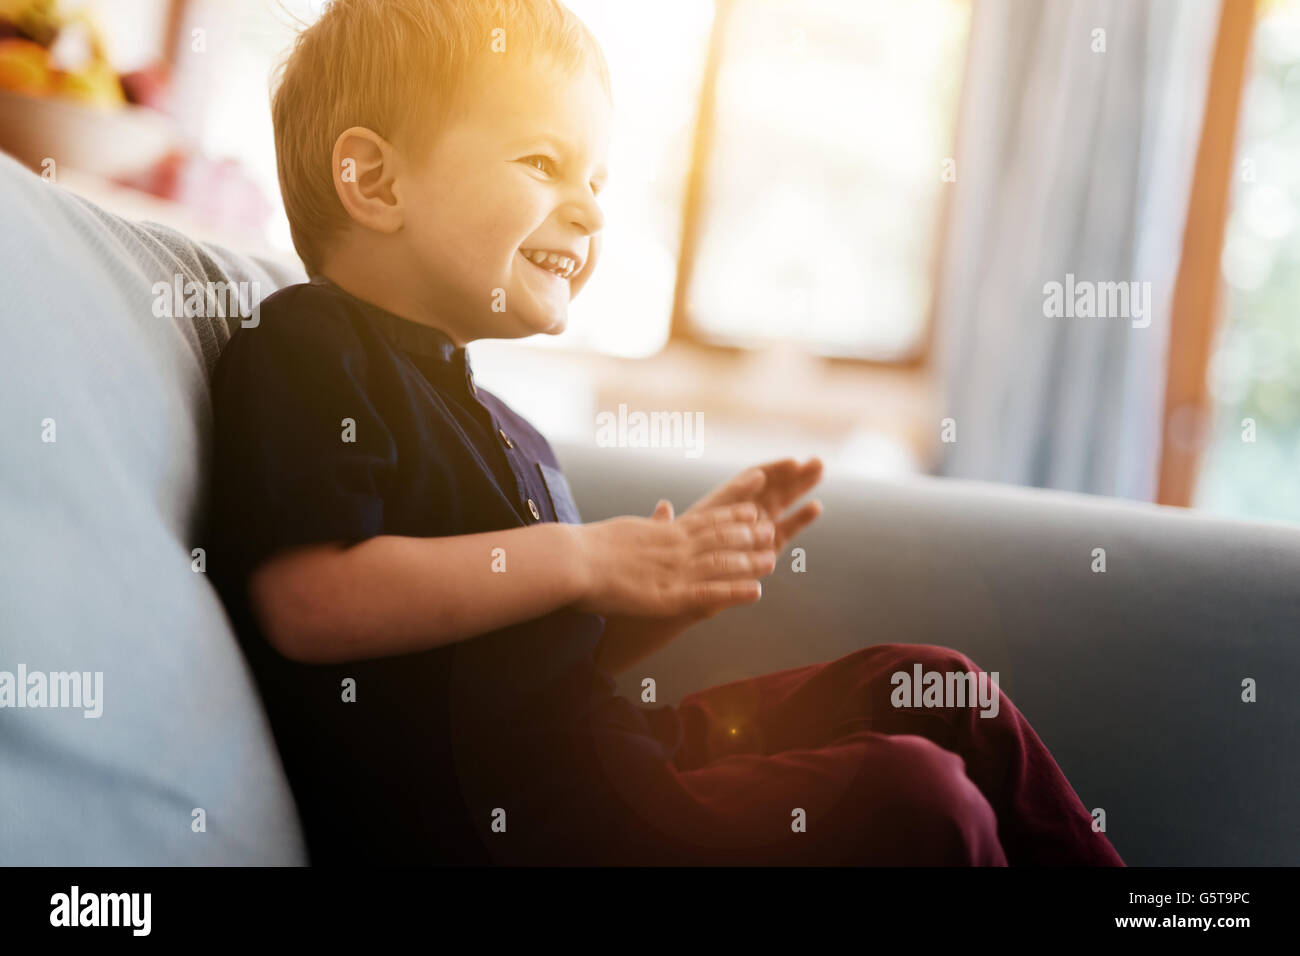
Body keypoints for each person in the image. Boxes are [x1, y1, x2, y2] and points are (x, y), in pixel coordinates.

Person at [208, 0, 1123, 867]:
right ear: (374, 178)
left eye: (597, 180)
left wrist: (669, 587)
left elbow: (525, 656)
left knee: (941, 692)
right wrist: (590, 559)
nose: (592, 209)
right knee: (915, 800)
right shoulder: (315, 345)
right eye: (541, 162)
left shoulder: (509, 428)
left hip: (617, 770)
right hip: (521, 830)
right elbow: (309, 602)